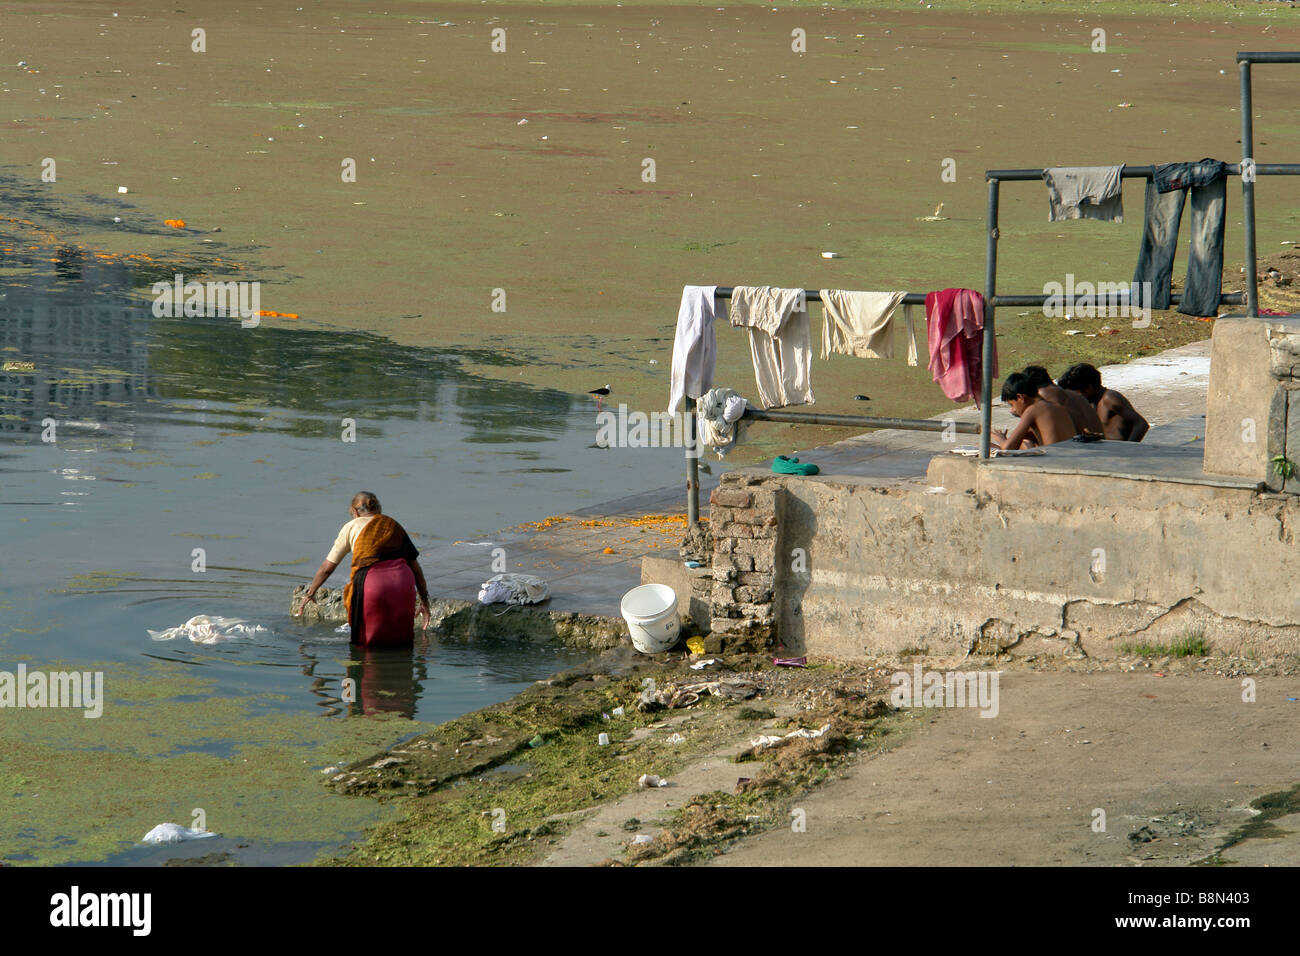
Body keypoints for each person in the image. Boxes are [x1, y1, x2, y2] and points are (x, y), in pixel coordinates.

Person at [301, 492, 430, 646]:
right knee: (402, 641)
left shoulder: (351, 526)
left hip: (371, 585)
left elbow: (326, 569)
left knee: (365, 644)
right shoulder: (393, 525)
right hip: (403, 583)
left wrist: (310, 593)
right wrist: (424, 601)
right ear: (379, 509)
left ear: (354, 512)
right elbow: (416, 569)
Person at [1057, 363, 1149, 442]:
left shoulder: (1109, 398)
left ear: (1089, 388)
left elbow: (1141, 424)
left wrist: (1128, 448)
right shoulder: (1092, 402)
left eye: (1077, 394)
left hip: (1118, 449)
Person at [991, 372, 1078, 450]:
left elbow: (1008, 447)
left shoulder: (1033, 409)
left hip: (1054, 458)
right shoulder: (1058, 407)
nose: (1013, 410)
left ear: (1020, 397)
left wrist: (1001, 439)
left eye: (1012, 405)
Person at [1022, 365, 1105, 438]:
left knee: (1026, 441)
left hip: (1081, 447)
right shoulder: (1074, 394)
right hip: (1101, 444)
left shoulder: (1043, 396)